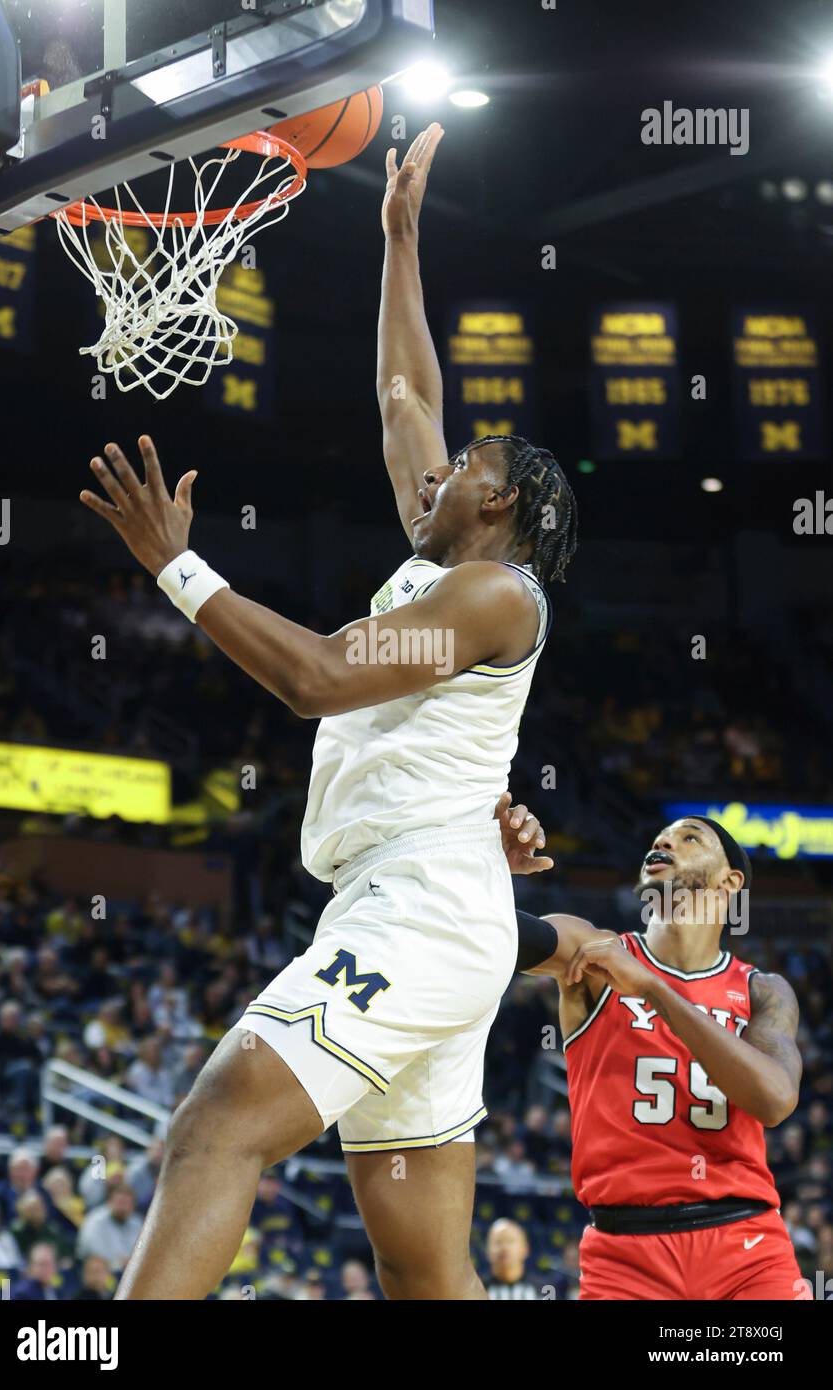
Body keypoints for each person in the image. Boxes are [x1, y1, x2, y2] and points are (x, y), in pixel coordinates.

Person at [78, 122, 576, 1302]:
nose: (437, 461)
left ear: (495, 500)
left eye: (462, 463)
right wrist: (399, 238)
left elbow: (313, 676)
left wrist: (177, 570)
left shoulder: (494, 591)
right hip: (417, 903)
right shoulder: (447, 552)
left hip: (423, 909)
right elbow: (405, 389)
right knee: (418, 1268)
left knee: (215, 1124)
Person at [518, 815, 804, 1300]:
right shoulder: (594, 952)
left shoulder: (763, 991)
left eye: (690, 838)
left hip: (748, 1248)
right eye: (660, 838)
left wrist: (654, 990)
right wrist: (482, 874)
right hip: (624, 1252)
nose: (666, 840)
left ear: (729, 881)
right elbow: (487, 933)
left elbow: (775, 1101)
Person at [484, 1218, 540, 1299]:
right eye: (498, 1242)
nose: (504, 1248)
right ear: (487, 1251)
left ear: (525, 1249)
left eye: (510, 1241)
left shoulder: (542, 1289)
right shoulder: (476, 1290)